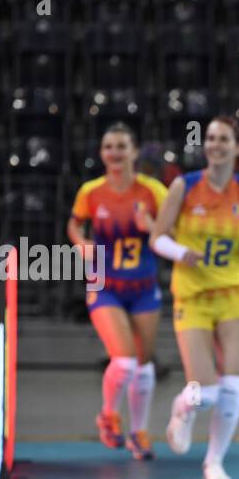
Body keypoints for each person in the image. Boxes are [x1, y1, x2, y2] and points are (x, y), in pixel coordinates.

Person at [149, 116, 239, 479]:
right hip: (193, 294)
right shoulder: (185, 186)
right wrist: (181, 252)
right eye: (211, 138)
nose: (215, 144)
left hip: (232, 292)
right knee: (207, 391)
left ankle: (214, 461)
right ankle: (183, 407)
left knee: (233, 387)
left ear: (237, 147)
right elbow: (157, 237)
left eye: (223, 139)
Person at [67, 123, 167, 459]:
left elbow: (172, 231)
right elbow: (74, 222)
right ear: (102, 153)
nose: (115, 153)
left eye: (122, 146)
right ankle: (108, 413)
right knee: (123, 362)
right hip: (105, 285)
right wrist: (81, 243)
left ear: (134, 152)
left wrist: (152, 228)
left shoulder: (152, 191)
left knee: (144, 363)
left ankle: (139, 433)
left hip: (143, 286)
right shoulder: (91, 192)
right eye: (109, 147)